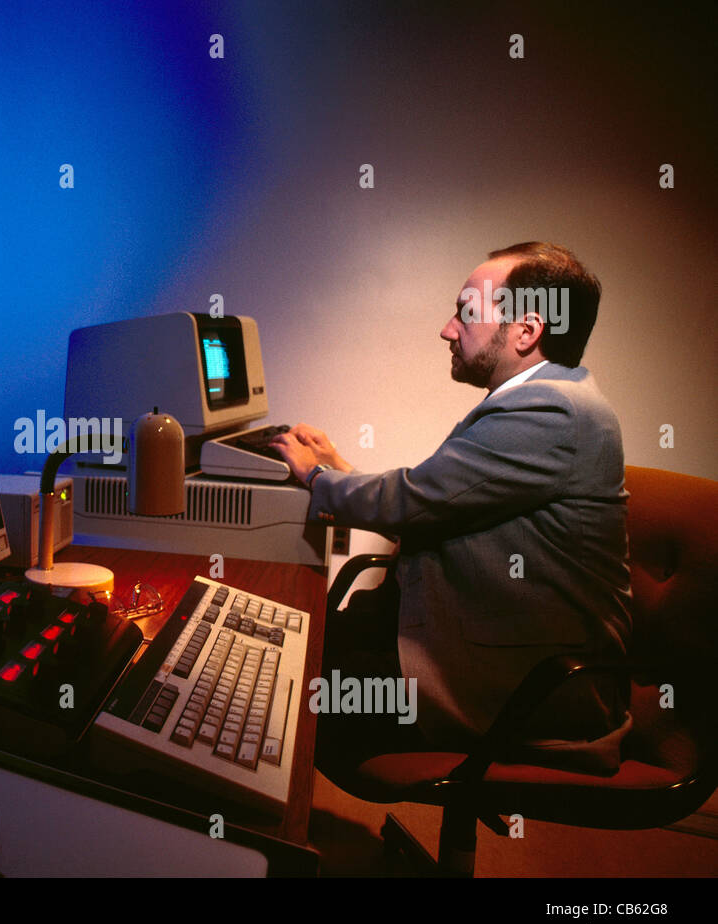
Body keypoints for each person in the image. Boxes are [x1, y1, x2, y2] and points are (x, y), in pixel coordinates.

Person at [270, 242, 632, 774]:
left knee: (285, 703)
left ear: (527, 331)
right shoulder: (548, 399)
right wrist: (342, 470)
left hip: (522, 683)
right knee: (288, 643)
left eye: (465, 312)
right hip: (471, 637)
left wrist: (316, 476)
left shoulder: (553, 409)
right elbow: (443, 496)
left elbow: (414, 500)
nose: (447, 328)